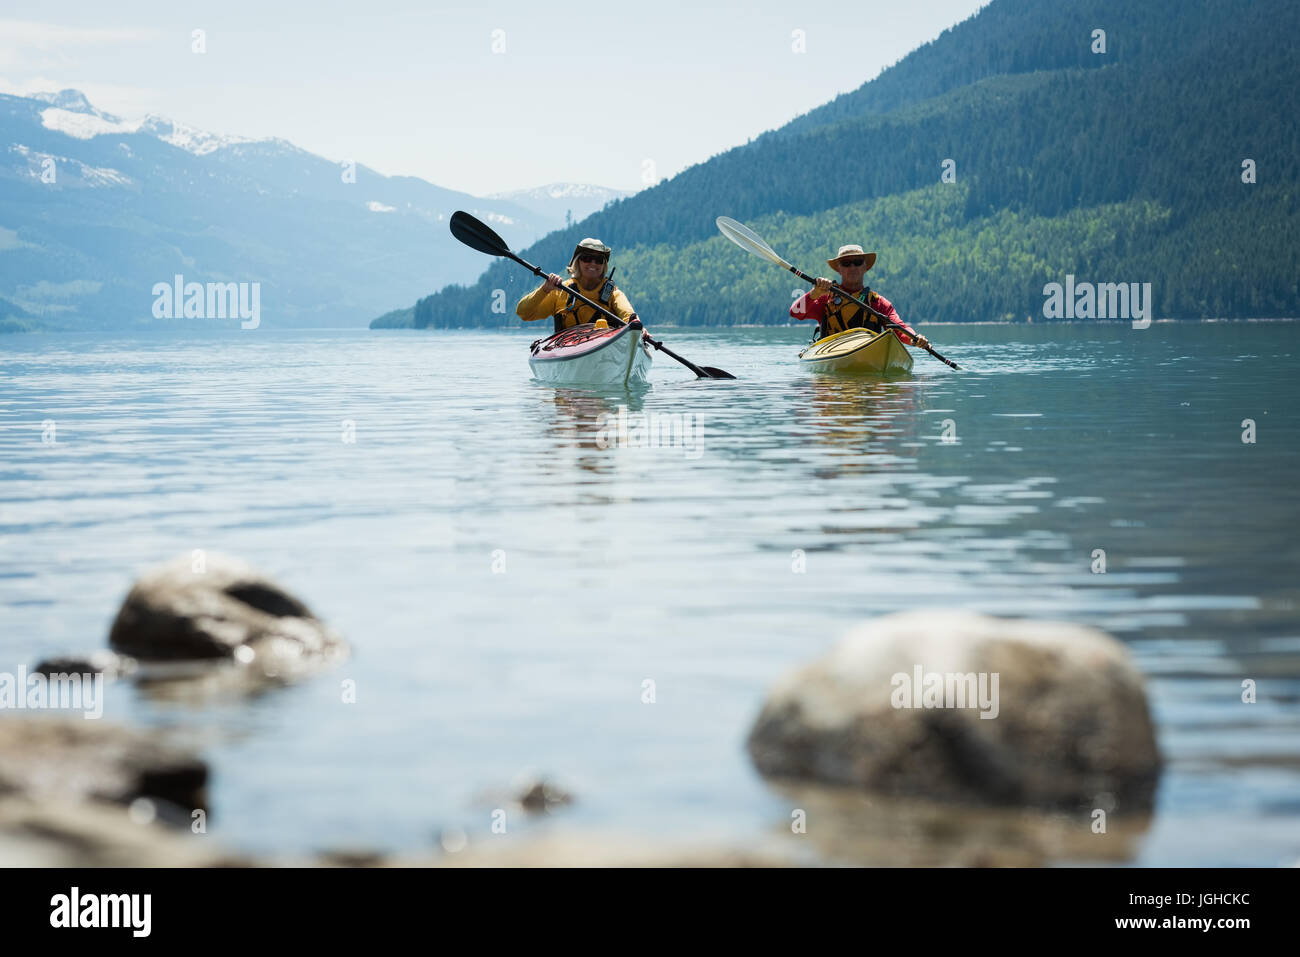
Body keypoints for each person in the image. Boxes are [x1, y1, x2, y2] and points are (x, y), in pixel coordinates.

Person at [790, 243, 930, 349]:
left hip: (868, 353)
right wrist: (814, 293)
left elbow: (899, 328)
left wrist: (914, 338)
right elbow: (795, 312)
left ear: (865, 267)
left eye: (857, 263)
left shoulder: (878, 303)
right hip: (831, 353)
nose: (852, 267)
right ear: (839, 269)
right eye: (846, 263)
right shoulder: (825, 298)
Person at [516, 238, 640, 335]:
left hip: (606, 346)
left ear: (604, 265)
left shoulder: (612, 293)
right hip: (568, 350)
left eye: (598, 260)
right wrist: (544, 290)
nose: (593, 263)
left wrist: (638, 327)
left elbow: (628, 313)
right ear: (578, 261)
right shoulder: (560, 290)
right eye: (587, 258)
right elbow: (523, 312)